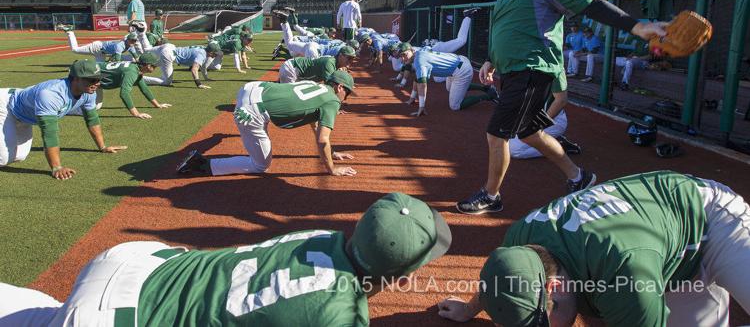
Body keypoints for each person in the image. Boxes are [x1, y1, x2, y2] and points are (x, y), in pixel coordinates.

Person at [0, 192, 451, 326]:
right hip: (113, 319)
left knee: (44, 317)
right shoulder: (341, 315)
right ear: (403, 276)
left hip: (137, 261)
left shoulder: (324, 236)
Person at [459, 0, 666, 215]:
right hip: (513, 71)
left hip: (531, 70)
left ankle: (491, 196)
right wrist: (490, 61)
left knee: (496, 135)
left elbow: (589, 4)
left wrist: (637, 26)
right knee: (530, 134)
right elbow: (507, 31)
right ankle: (579, 177)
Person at [437, 170, 750, 327]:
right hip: (659, 243)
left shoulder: (626, 280)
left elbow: (628, 276)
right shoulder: (519, 238)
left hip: (713, 217)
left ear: (555, 286)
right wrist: (469, 308)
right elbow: (502, 277)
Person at [177, 70, 357, 177]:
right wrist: (332, 168)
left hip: (253, 88)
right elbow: (323, 139)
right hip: (251, 111)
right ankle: (199, 164)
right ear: (339, 87)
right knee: (261, 165)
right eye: (347, 93)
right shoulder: (333, 100)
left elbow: (316, 125)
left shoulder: (317, 86)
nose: (346, 98)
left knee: (260, 142)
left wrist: (332, 153)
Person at [0, 60, 127, 180]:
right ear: (76, 78)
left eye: (99, 79)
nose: (97, 83)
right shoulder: (51, 94)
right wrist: (57, 167)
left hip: (25, 116)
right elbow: (49, 133)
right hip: (6, 106)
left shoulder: (89, 92)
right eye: (92, 80)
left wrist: (102, 147)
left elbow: (92, 119)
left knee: (19, 156)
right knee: (3, 159)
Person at [396, 43, 495, 115]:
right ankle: (485, 88)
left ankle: (488, 96)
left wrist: (421, 106)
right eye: (401, 56)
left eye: (405, 54)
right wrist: (412, 98)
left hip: (462, 70)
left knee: (455, 106)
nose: (403, 58)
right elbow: (417, 80)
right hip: (458, 61)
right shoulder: (419, 50)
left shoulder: (419, 62)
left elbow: (422, 85)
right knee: (449, 88)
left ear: (412, 50)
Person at [508, 73, 581, 158]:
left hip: (553, 119)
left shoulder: (554, 68)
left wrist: (537, 127)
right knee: (505, 140)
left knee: (515, 150)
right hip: (531, 117)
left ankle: (559, 146)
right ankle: (549, 140)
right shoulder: (523, 67)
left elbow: (561, 101)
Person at [98, 54, 172, 119]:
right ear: (148, 66)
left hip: (95, 81)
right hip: (89, 76)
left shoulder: (136, 68)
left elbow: (144, 88)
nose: (156, 66)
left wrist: (157, 105)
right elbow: (124, 94)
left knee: (96, 106)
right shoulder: (132, 71)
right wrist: (136, 114)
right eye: (154, 65)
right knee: (92, 108)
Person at [143, 43, 220, 89]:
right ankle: (141, 79)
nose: (215, 56)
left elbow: (202, 66)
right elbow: (194, 69)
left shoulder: (203, 48)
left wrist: (206, 78)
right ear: (210, 52)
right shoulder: (202, 54)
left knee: (145, 51)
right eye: (215, 54)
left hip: (169, 46)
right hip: (169, 55)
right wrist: (198, 84)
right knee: (166, 82)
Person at [279, 47, 356, 84]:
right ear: (340, 55)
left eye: (353, 58)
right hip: (291, 69)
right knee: (292, 96)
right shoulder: (329, 63)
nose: (351, 61)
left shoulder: (334, 63)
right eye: (349, 58)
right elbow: (330, 86)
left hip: (296, 70)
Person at [65, 30, 140, 63]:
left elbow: (136, 57)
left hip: (102, 53)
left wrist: (140, 64)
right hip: (96, 48)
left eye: (134, 41)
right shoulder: (120, 45)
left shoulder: (131, 45)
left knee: (99, 69)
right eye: (132, 40)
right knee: (75, 50)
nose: (133, 42)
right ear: (128, 39)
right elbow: (117, 60)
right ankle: (70, 32)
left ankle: (81, 63)